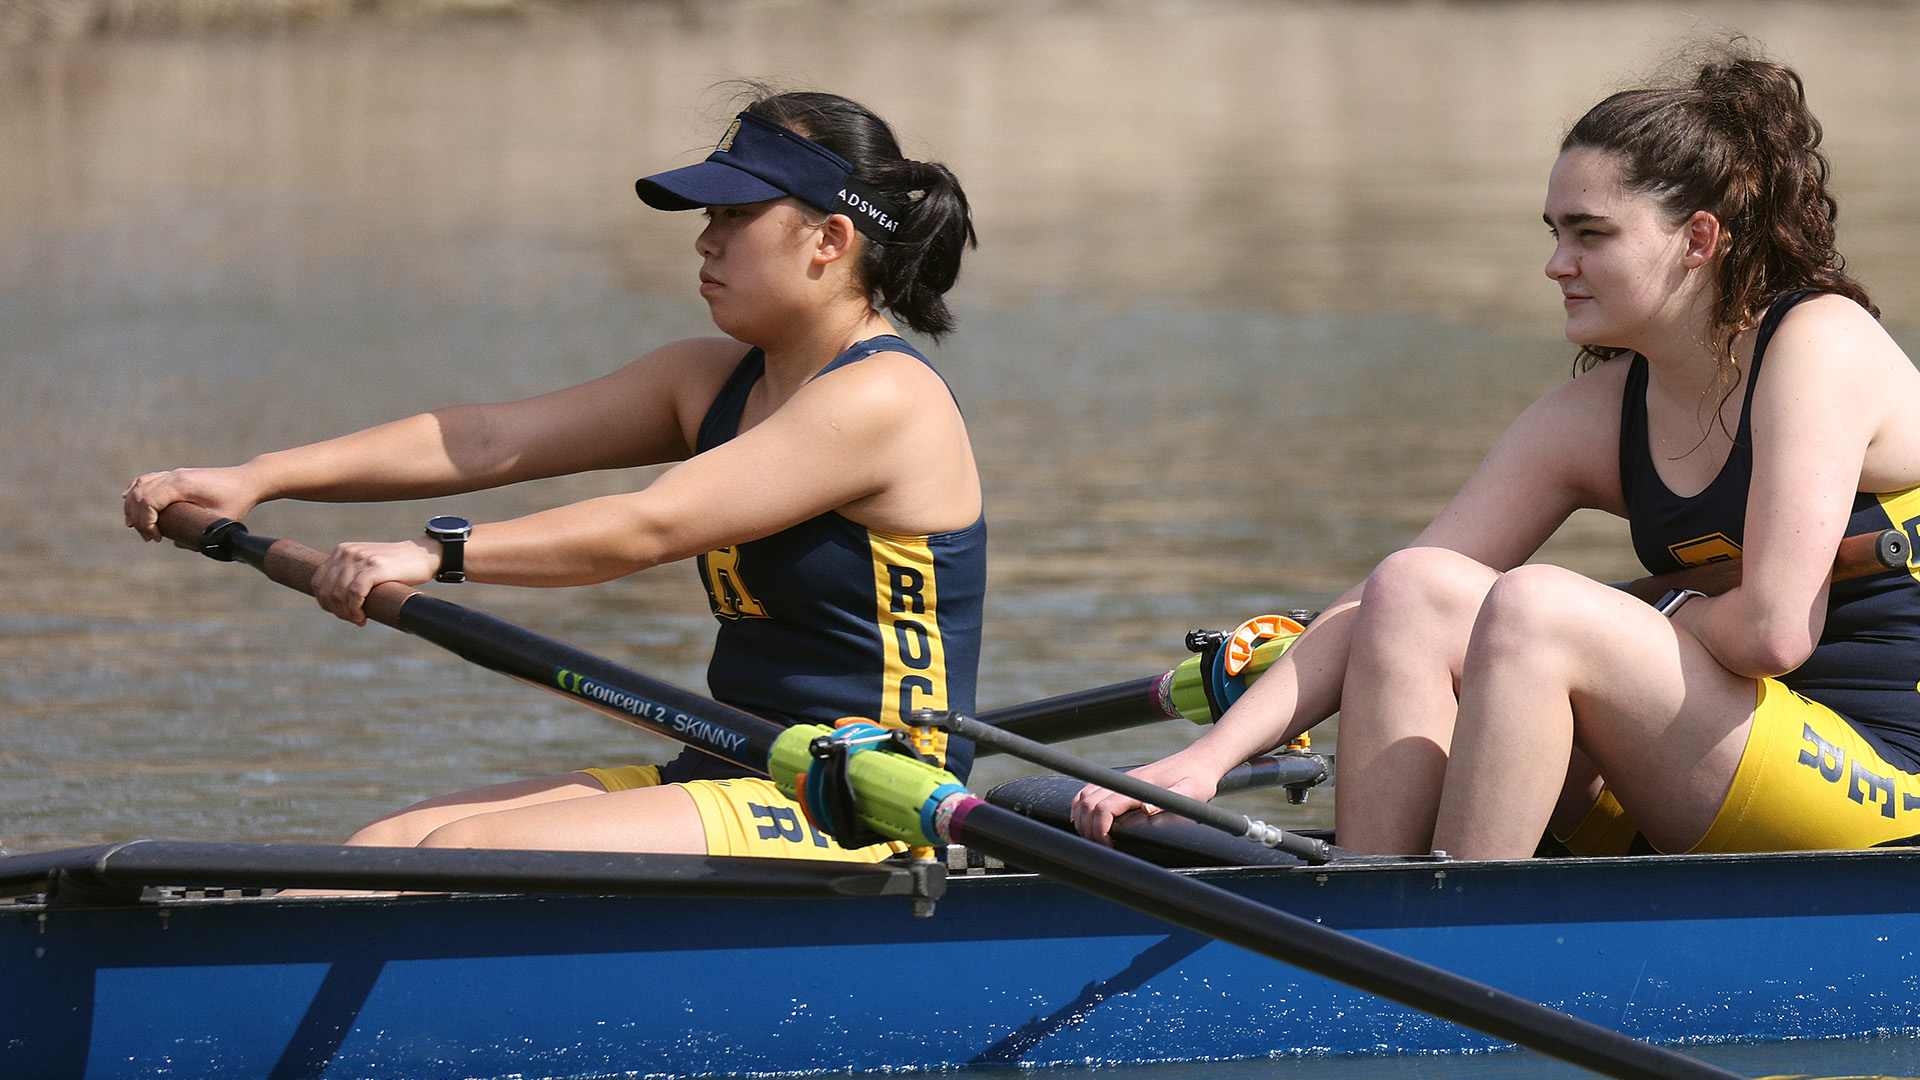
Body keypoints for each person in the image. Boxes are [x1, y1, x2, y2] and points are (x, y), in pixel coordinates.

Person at [1073, 37, 1920, 860]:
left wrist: (1660, 616)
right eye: (1553, 231)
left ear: (1698, 239)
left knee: (1538, 610)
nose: (1557, 263)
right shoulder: (1600, 411)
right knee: (1415, 587)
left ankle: (1457, 944)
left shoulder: (1819, 346)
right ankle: (1372, 917)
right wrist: (1209, 758)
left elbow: (1774, 636)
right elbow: (1374, 608)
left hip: (1882, 783)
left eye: (1591, 234)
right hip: (1710, 754)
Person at [124, 89, 985, 863]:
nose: (704, 237)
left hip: (871, 802)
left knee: (468, 852)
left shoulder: (884, 396)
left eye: (735, 214)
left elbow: (649, 527)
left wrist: (436, 554)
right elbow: (489, 440)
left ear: (831, 239)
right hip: (732, 765)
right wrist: (259, 477)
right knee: (391, 844)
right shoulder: (708, 379)